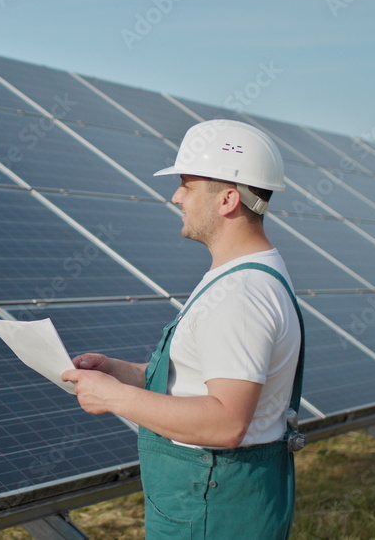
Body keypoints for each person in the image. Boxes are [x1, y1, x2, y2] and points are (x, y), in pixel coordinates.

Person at [62, 119, 305, 539]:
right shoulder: (242, 276)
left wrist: (116, 397)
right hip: (216, 497)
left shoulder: (239, 294)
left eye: (187, 185)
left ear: (228, 198)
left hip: (212, 504)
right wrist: (122, 372)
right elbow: (201, 382)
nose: (176, 197)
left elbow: (225, 422)